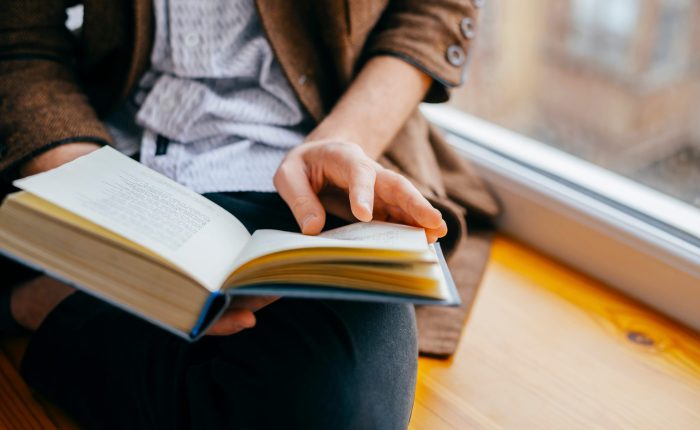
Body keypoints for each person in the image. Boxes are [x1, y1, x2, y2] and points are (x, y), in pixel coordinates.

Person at [0, 1, 495, 428]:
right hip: (103, 148)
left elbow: (433, 9)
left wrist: (342, 141)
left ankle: (49, 302)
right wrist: (99, 205)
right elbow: (19, 36)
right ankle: (73, 297)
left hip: (310, 171)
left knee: (342, 404)